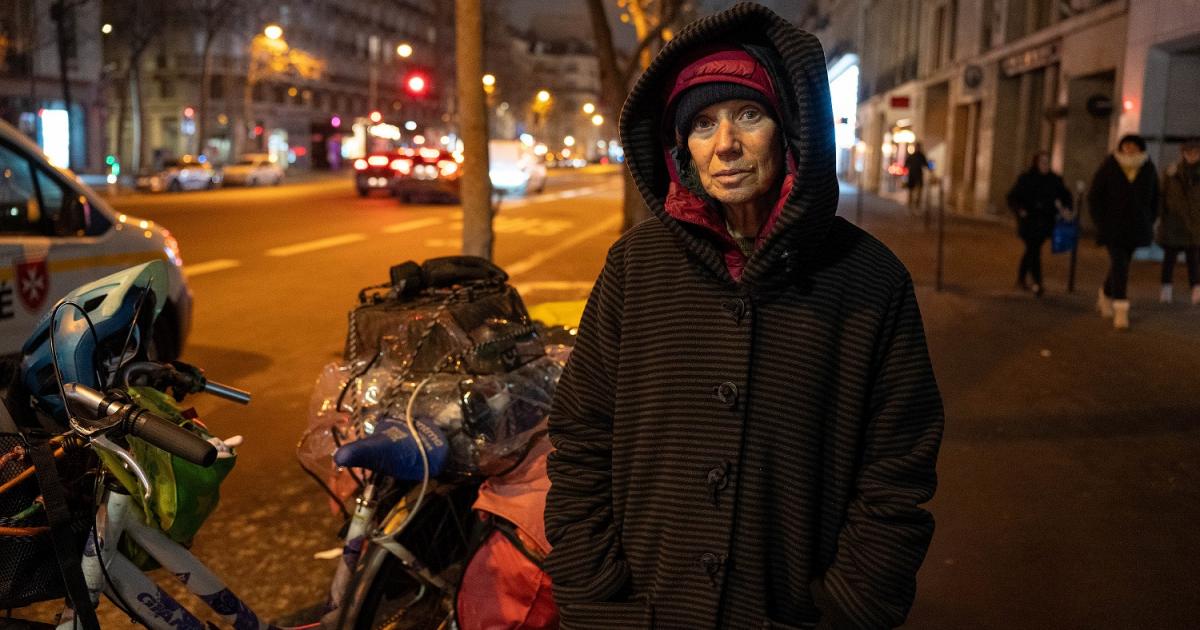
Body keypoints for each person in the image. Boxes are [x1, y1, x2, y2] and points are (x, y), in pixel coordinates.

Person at [544, 4, 944, 629]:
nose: (725, 144)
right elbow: (581, 437)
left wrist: (849, 605)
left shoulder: (869, 278)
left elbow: (897, 470)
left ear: (790, 130)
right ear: (682, 150)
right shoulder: (637, 267)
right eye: (702, 124)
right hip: (636, 613)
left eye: (748, 115)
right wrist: (592, 590)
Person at [1088, 134, 1158, 330]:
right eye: (1126, 146)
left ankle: (1105, 294)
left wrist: (1149, 220)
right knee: (1120, 263)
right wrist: (1100, 221)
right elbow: (1095, 196)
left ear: (1140, 148)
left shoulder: (1148, 168)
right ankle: (1121, 308)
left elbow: (1154, 199)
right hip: (1112, 227)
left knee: (1122, 264)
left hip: (1136, 228)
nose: (1129, 149)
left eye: (1133, 146)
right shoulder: (1110, 166)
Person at [1006, 150, 1072, 296]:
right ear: (1036, 163)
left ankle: (1021, 278)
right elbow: (1012, 197)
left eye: (1047, 162)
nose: (1045, 165)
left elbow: (1066, 195)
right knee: (1033, 250)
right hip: (1028, 220)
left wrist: (1065, 209)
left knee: (1032, 249)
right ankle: (1037, 282)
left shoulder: (1054, 180)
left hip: (1044, 221)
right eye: (1042, 162)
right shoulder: (1026, 178)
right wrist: (1020, 209)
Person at [1156, 137, 1200, 305]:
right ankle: (1166, 289)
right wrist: (1161, 215)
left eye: (1196, 152)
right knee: (1169, 258)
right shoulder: (1171, 172)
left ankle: (1196, 289)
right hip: (1173, 222)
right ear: (1182, 153)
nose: (1192, 155)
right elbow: (1162, 194)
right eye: (1188, 152)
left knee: (1194, 259)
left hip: (1195, 223)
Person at [904, 142, 930, 213]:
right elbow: (906, 164)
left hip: (918, 175)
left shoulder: (921, 156)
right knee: (911, 191)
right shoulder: (913, 156)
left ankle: (916, 206)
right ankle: (910, 205)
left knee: (918, 191)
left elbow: (926, 164)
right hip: (912, 175)